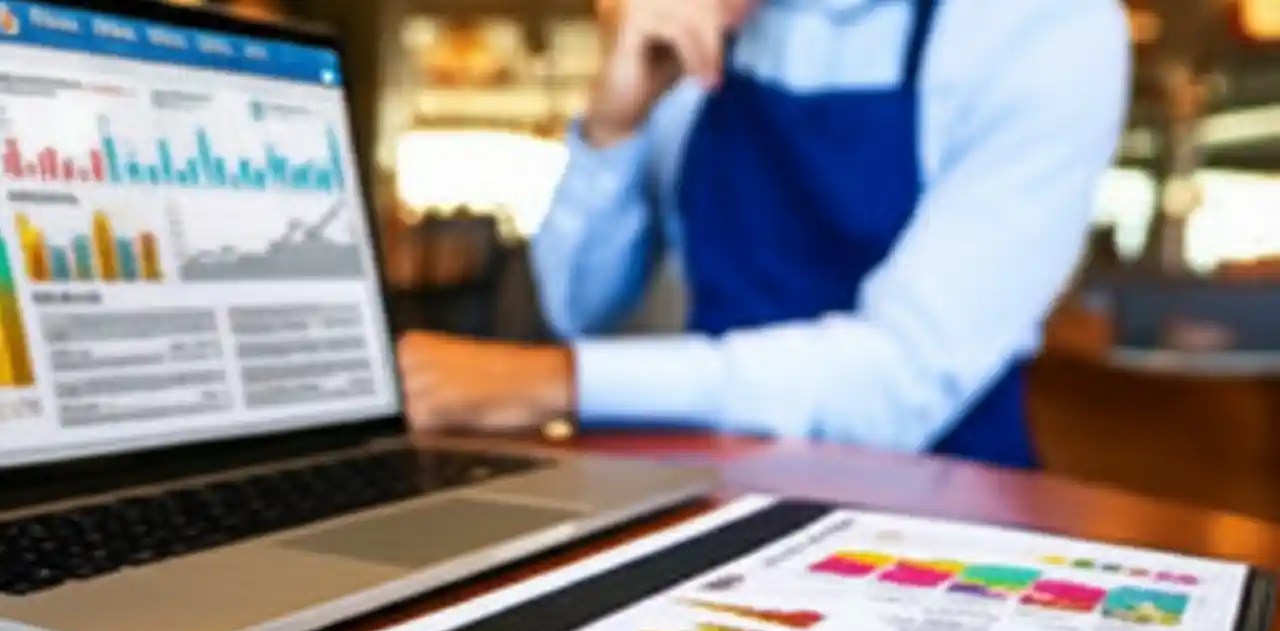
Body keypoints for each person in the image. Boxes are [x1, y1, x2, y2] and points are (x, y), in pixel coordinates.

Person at [397, 0, 1130, 469]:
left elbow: (900, 384)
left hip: (948, 518)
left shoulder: (1045, 28)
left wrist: (560, 383)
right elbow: (583, 306)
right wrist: (613, 125)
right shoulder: (694, 16)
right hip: (706, 490)